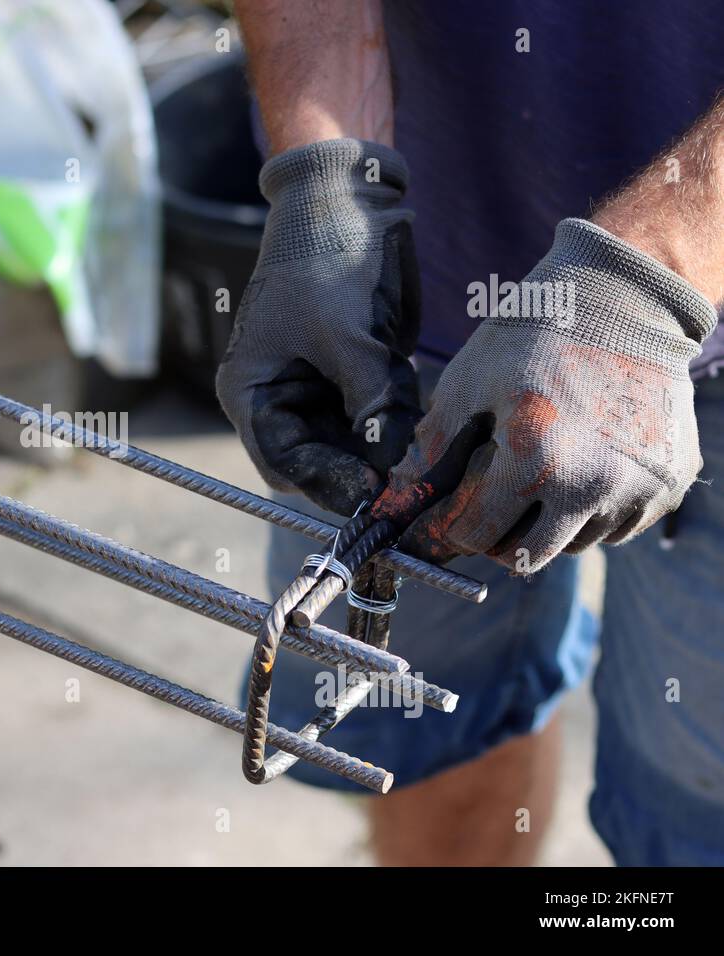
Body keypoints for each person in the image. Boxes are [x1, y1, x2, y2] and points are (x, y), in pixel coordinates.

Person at [217, 0, 724, 866]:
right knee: (416, 741)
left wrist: (657, 274)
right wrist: (327, 174)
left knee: (697, 815)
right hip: (407, 302)